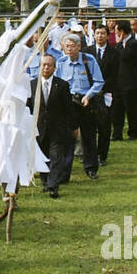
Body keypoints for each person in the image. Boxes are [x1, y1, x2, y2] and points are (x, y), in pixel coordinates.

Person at [55, 33, 103, 180]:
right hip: (69, 103)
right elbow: (57, 83)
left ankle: (91, 168)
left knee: (88, 136)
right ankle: (64, 172)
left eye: (72, 46)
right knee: (68, 138)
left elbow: (98, 81)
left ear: (79, 46)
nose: (69, 49)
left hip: (85, 101)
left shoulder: (89, 60)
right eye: (66, 46)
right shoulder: (61, 62)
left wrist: (88, 96)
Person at [29, 54, 73, 199]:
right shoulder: (32, 85)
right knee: (43, 156)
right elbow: (28, 108)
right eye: (44, 65)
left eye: (49, 65)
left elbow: (68, 109)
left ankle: (54, 186)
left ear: (54, 67)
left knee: (56, 157)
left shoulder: (62, 85)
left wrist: (71, 127)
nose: (46, 68)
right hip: (39, 128)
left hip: (57, 128)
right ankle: (45, 181)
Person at [85, 24, 120, 160]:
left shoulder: (115, 53)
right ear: (94, 35)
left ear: (107, 36)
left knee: (104, 125)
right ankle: (90, 154)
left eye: (102, 33)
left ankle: (102, 155)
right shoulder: (86, 52)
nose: (100, 36)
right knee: (89, 126)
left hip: (106, 93)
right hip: (88, 92)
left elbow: (115, 74)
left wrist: (101, 89)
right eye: (97, 33)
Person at [114, 21, 137, 140]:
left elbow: (124, 56)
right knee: (117, 109)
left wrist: (119, 43)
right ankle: (117, 133)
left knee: (131, 109)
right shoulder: (118, 45)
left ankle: (133, 132)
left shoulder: (133, 43)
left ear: (122, 32)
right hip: (118, 81)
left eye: (117, 31)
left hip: (131, 82)